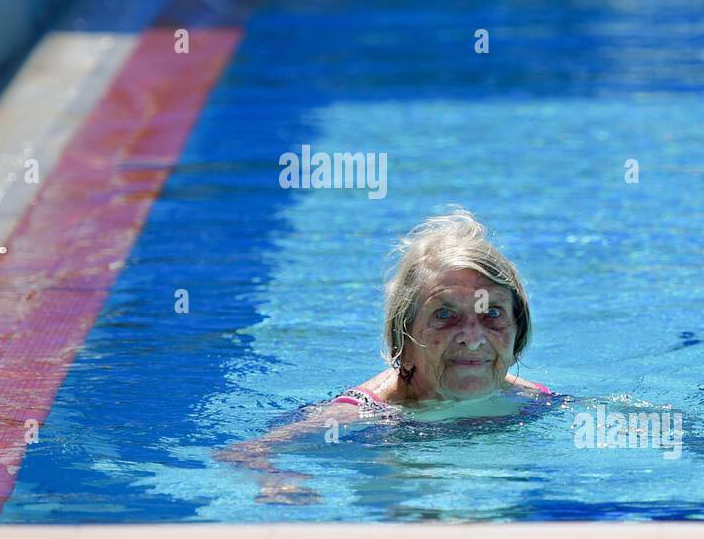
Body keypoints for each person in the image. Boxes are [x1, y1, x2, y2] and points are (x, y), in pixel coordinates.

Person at [217, 208, 555, 503]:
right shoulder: (360, 416)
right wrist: (278, 480)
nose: (472, 338)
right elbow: (243, 452)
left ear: (517, 335)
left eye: (492, 314)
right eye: (444, 315)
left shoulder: (536, 402)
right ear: (403, 340)